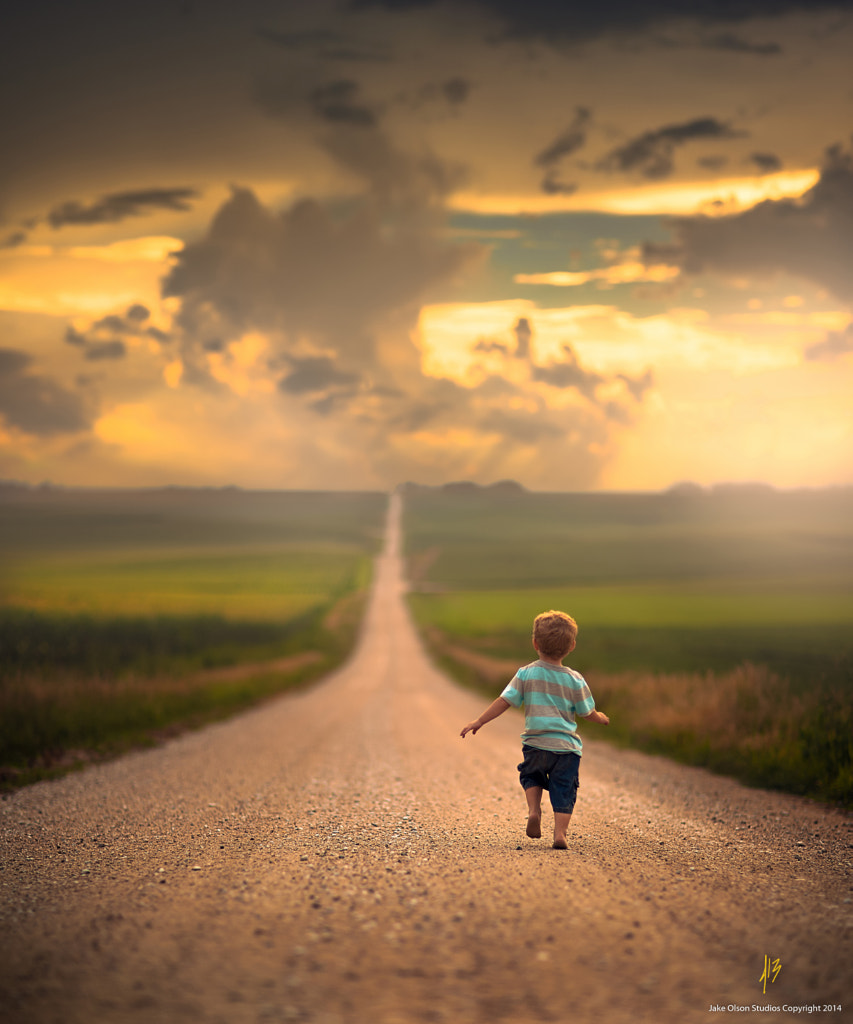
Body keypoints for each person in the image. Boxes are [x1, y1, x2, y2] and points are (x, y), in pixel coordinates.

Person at [460, 609, 609, 849]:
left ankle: (533, 811)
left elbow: (504, 701)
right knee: (564, 789)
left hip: (535, 744)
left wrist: (479, 721)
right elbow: (586, 712)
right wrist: (600, 718)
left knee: (531, 776)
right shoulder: (575, 679)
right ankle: (560, 834)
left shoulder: (526, 673)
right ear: (572, 646)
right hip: (566, 748)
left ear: (535, 643)